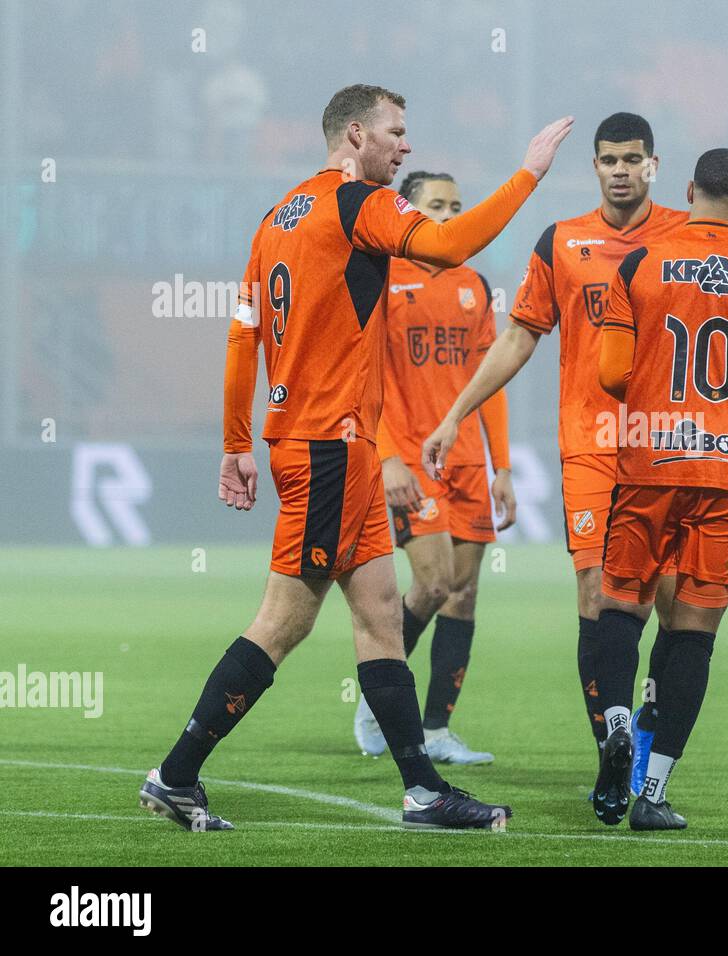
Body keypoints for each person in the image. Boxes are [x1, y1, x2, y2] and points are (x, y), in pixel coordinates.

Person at [138, 83, 571, 831]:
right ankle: (175, 775)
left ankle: (423, 790)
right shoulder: (357, 203)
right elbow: (448, 243)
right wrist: (529, 171)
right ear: (353, 138)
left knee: (379, 615)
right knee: (283, 623)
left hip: (329, 447)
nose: (405, 146)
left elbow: (244, 335)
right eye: (395, 132)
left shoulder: (279, 216)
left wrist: (239, 444)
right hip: (330, 447)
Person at [422, 113, 728, 797]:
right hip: (592, 446)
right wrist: (455, 413)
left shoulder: (684, 234)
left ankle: (638, 734)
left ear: (656, 166)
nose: (620, 170)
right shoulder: (563, 242)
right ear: (594, 167)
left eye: (632, 159)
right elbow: (521, 336)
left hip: (667, 449)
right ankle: (611, 762)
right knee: (599, 593)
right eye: (608, 159)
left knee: (672, 608)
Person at [591, 147, 728, 829]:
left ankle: (617, 722)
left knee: (619, 610)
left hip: (648, 467)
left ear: (687, 190)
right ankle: (651, 794)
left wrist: (659, 390)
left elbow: (610, 373)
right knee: (691, 635)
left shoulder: (640, 261)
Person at [351, 170, 515, 765]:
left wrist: (503, 467)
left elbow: (490, 382)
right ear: (409, 213)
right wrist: (387, 454)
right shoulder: (382, 276)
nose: (449, 215)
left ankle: (437, 727)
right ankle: (378, 696)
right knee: (434, 581)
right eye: (436, 205)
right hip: (412, 459)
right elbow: (364, 379)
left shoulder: (474, 282)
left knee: (464, 596)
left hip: (468, 458)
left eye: (456, 205)